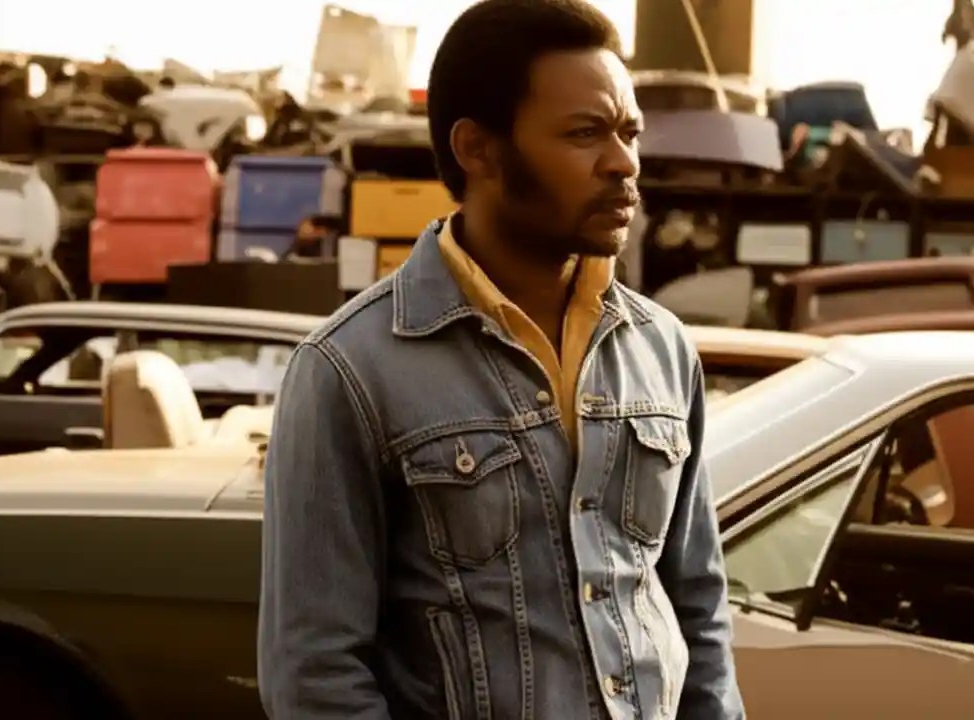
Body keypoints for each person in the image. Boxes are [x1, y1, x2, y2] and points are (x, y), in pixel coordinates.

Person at [258, 1, 745, 718]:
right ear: (478, 149)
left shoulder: (661, 349)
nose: (624, 162)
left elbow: (697, 611)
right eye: (585, 134)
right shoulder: (350, 371)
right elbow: (314, 676)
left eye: (629, 132)